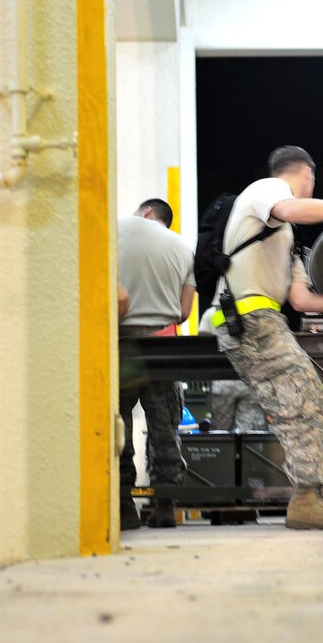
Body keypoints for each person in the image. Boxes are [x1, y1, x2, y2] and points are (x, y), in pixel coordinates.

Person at [213, 145, 323, 529]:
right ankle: (305, 500)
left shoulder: (284, 234)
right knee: (302, 406)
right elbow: (290, 209)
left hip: (269, 321)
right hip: (250, 321)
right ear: (307, 174)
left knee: (321, 406)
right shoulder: (266, 189)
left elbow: (301, 298)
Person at [117, 198, 194, 530]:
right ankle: (164, 505)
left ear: (145, 211)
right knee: (164, 429)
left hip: (120, 347)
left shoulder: (112, 229)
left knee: (118, 425)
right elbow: (184, 312)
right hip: (162, 348)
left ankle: (122, 507)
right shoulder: (181, 246)